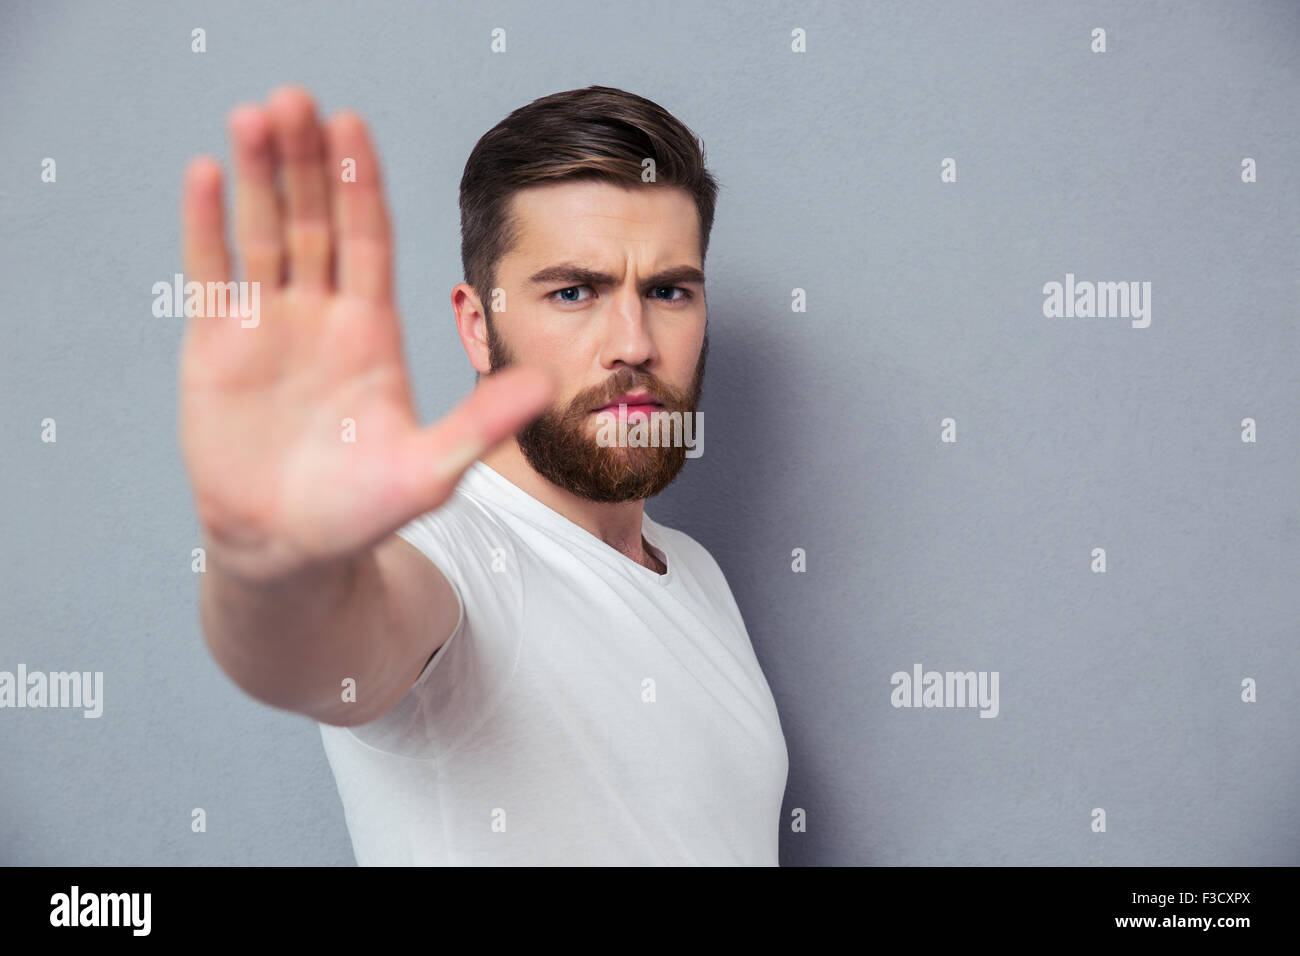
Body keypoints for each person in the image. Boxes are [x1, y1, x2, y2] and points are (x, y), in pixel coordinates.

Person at [178, 83, 788, 865]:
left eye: (668, 291)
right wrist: (275, 568)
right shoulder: (444, 553)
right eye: (574, 292)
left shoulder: (695, 571)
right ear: (478, 324)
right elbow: (323, 650)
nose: (633, 342)